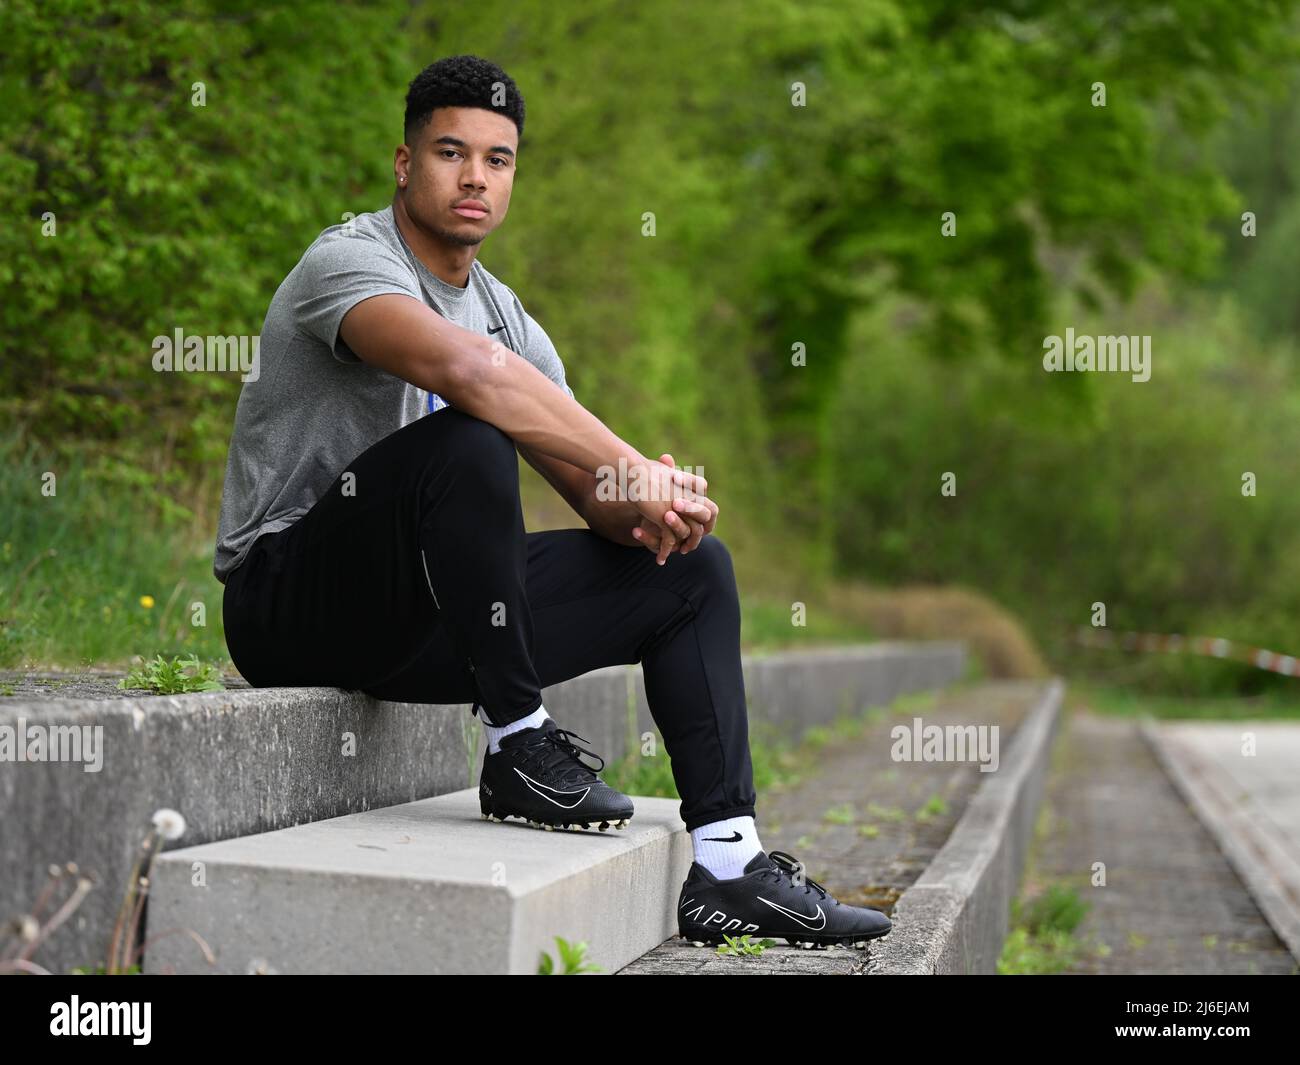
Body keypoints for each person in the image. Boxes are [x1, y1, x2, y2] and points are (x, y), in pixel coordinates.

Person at [213, 54, 889, 949]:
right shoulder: (346, 261)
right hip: (287, 600)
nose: (475, 177)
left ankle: (730, 864)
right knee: (471, 433)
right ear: (405, 163)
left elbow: (590, 494)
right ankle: (518, 742)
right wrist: (623, 461)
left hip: (422, 623)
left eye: (498, 160)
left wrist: (650, 499)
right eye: (452, 153)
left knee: (693, 575)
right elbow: (464, 374)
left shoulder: (508, 319)